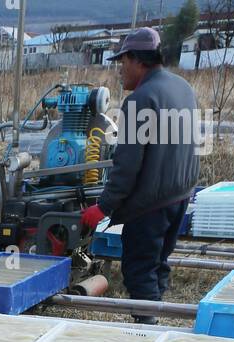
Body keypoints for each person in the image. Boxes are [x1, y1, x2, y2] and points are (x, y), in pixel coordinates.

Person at [81, 28, 199, 320]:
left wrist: (104, 207)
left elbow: (128, 165)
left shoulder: (140, 101)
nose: (120, 71)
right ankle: (156, 318)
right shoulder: (183, 88)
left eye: (123, 63)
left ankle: (146, 331)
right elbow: (196, 144)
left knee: (139, 270)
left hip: (151, 206)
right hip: (180, 196)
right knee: (158, 263)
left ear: (137, 60)